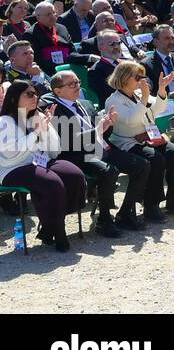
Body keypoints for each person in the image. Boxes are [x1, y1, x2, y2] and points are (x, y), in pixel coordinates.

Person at [43, 69, 148, 238]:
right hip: (77, 154)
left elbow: (101, 134)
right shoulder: (55, 110)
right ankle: (104, 220)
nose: (77, 86)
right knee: (108, 171)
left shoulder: (85, 104)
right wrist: (98, 130)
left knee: (142, 165)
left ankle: (125, 213)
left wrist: (108, 125)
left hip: (99, 148)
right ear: (57, 91)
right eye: (72, 84)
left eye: (78, 82)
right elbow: (68, 143)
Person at [0, 79, 86, 252]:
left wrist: (47, 128)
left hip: (40, 162)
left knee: (75, 176)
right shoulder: (5, 121)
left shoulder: (37, 116)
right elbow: (11, 153)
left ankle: (49, 227)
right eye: (29, 94)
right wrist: (36, 132)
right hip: (13, 168)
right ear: (14, 98)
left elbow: (55, 150)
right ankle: (59, 234)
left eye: (35, 94)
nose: (35, 97)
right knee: (52, 184)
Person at [104, 62, 174, 220]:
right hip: (129, 141)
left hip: (149, 136)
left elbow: (159, 109)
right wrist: (144, 98)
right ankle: (151, 205)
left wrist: (162, 90)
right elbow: (132, 120)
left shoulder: (138, 93)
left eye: (142, 76)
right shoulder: (113, 100)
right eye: (137, 77)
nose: (141, 80)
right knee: (156, 159)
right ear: (124, 78)